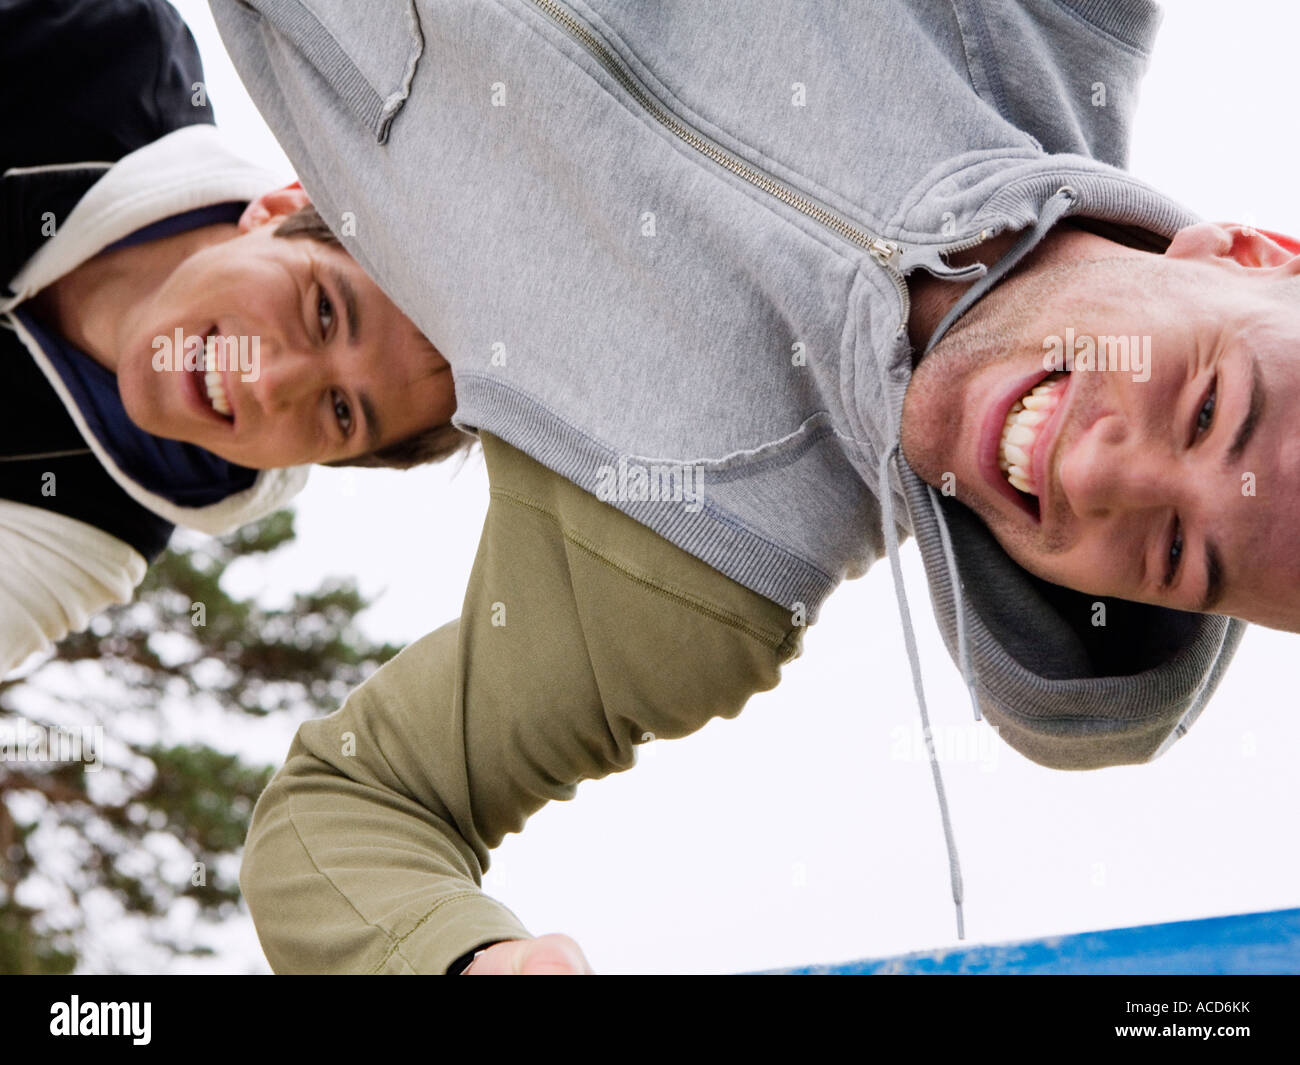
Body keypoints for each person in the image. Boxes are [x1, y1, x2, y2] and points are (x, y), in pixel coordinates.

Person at [207, 0, 1273, 973]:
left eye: (1173, 554)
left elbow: (344, 806)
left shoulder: (701, 571)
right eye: (1209, 407)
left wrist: (463, 964)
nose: (1091, 471)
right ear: (1247, 256)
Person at [0, 0, 466, 675]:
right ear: (279, 209)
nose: (271, 381)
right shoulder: (102, 40)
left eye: (340, 411)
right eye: (324, 312)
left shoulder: (85, 536)